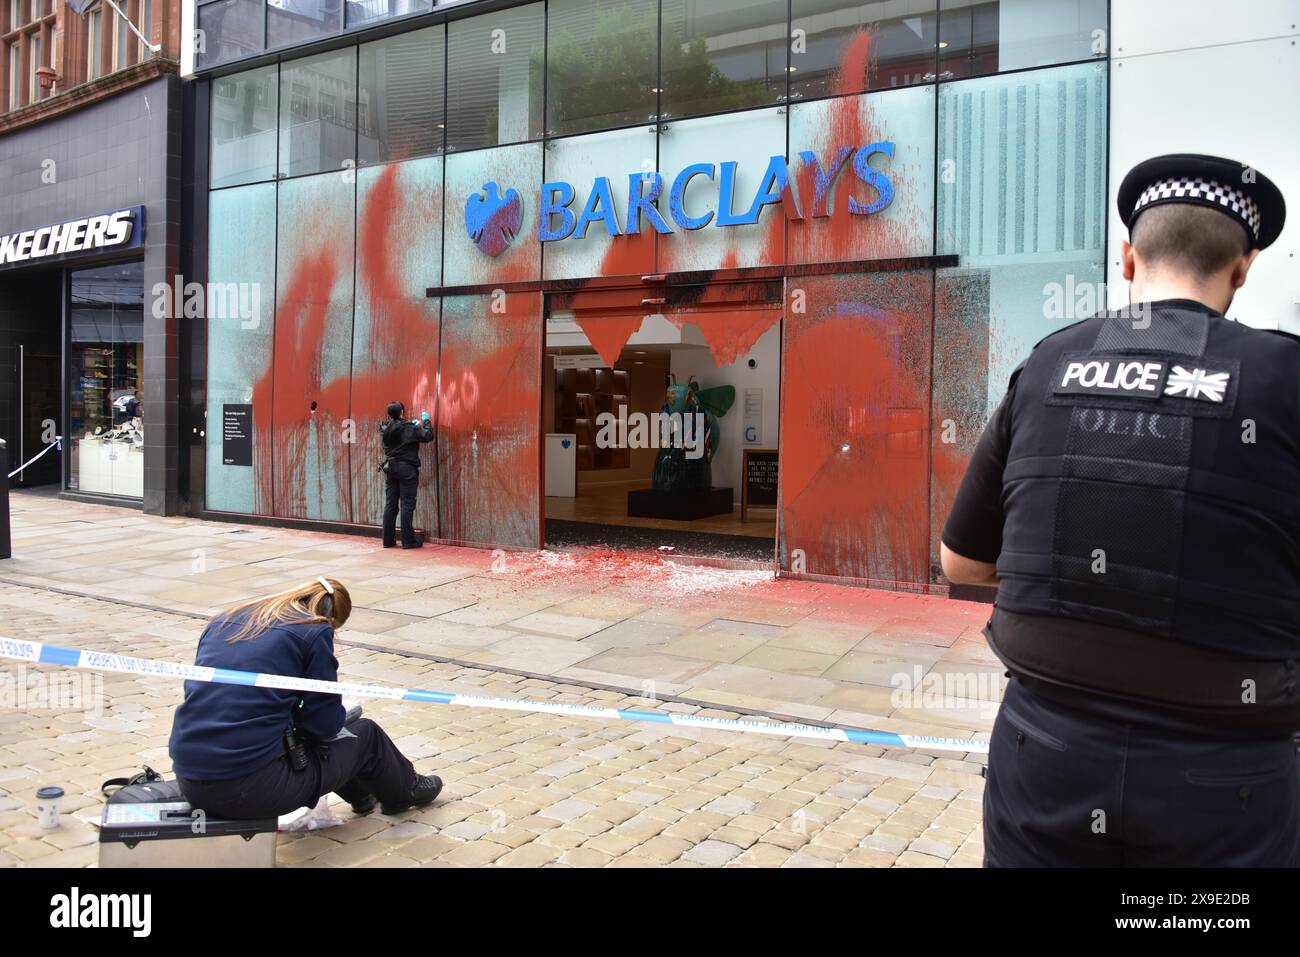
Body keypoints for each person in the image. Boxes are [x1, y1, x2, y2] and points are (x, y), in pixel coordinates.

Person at [941, 153, 1298, 867]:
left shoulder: (1047, 363)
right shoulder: (1284, 378)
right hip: (1231, 781)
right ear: (1242, 267)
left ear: (1128, 259)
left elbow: (961, 559)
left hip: (1045, 759)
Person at [168, 577, 443, 819]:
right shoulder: (313, 632)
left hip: (191, 778)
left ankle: (361, 795)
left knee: (302, 729)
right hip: (249, 791)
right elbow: (323, 725)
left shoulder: (225, 620)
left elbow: (228, 698)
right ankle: (404, 790)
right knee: (364, 733)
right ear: (331, 620)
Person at [381, 401, 434, 549]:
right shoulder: (409, 427)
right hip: (407, 469)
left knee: (390, 505)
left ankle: (387, 540)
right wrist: (425, 422)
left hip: (390, 468)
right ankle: (408, 541)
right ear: (402, 412)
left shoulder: (386, 428)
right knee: (407, 504)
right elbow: (428, 436)